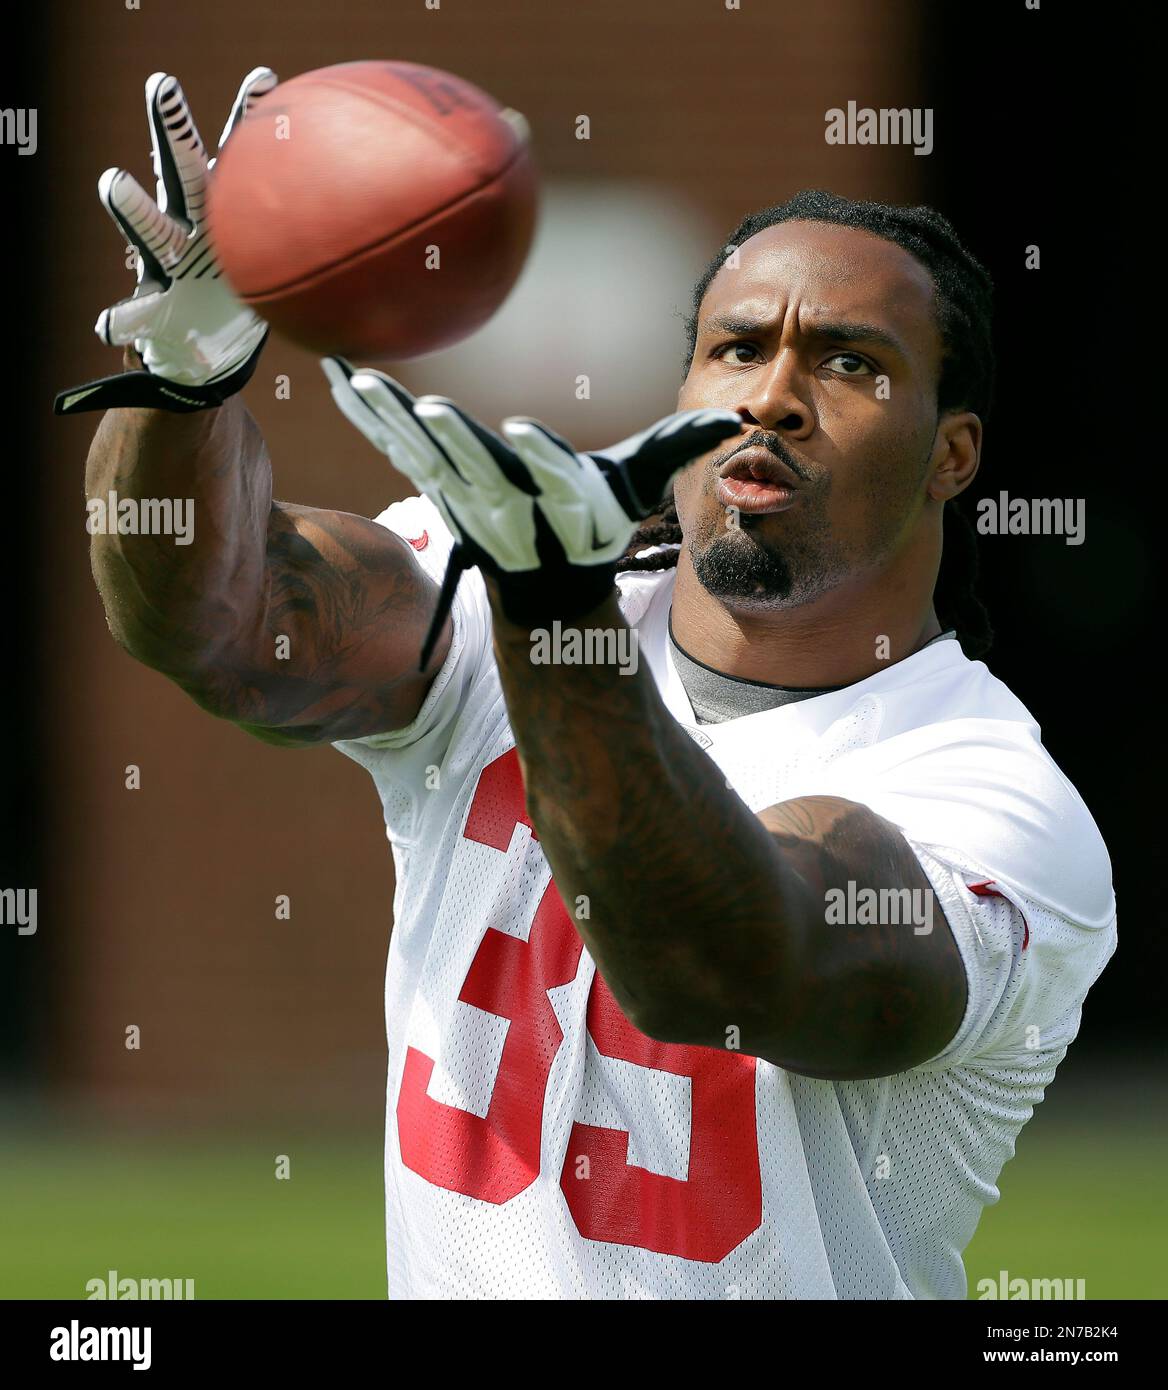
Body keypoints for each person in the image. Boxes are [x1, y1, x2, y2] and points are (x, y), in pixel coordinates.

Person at [62, 70, 1116, 1299]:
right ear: (683, 393)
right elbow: (222, 625)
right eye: (735, 347)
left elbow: (719, 969)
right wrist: (182, 388)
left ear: (952, 454)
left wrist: (550, 611)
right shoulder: (502, 587)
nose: (769, 394)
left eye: (846, 363)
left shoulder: (994, 798)